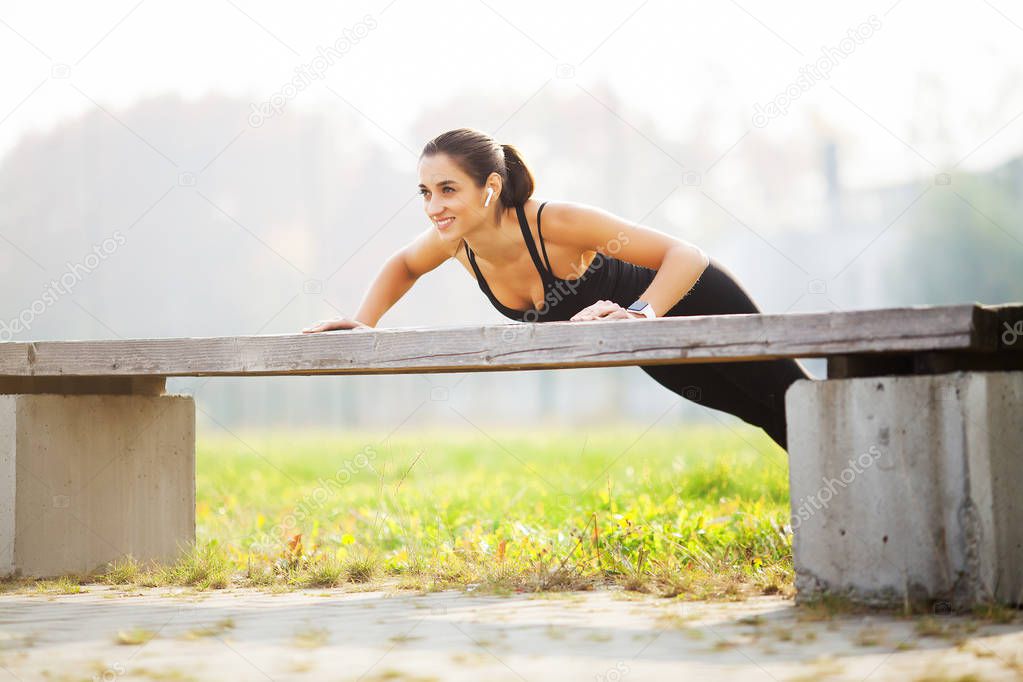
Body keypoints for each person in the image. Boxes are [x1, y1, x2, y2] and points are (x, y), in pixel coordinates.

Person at [303, 128, 813, 451]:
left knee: (796, 403)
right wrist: (365, 323)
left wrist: (640, 313)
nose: (433, 206)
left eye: (448, 190)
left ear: (491, 188)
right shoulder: (454, 242)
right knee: (765, 414)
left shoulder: (555, 222)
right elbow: (403, 265)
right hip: (642, 339)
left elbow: (686, 255)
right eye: (426, 192)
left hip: (693, 296)